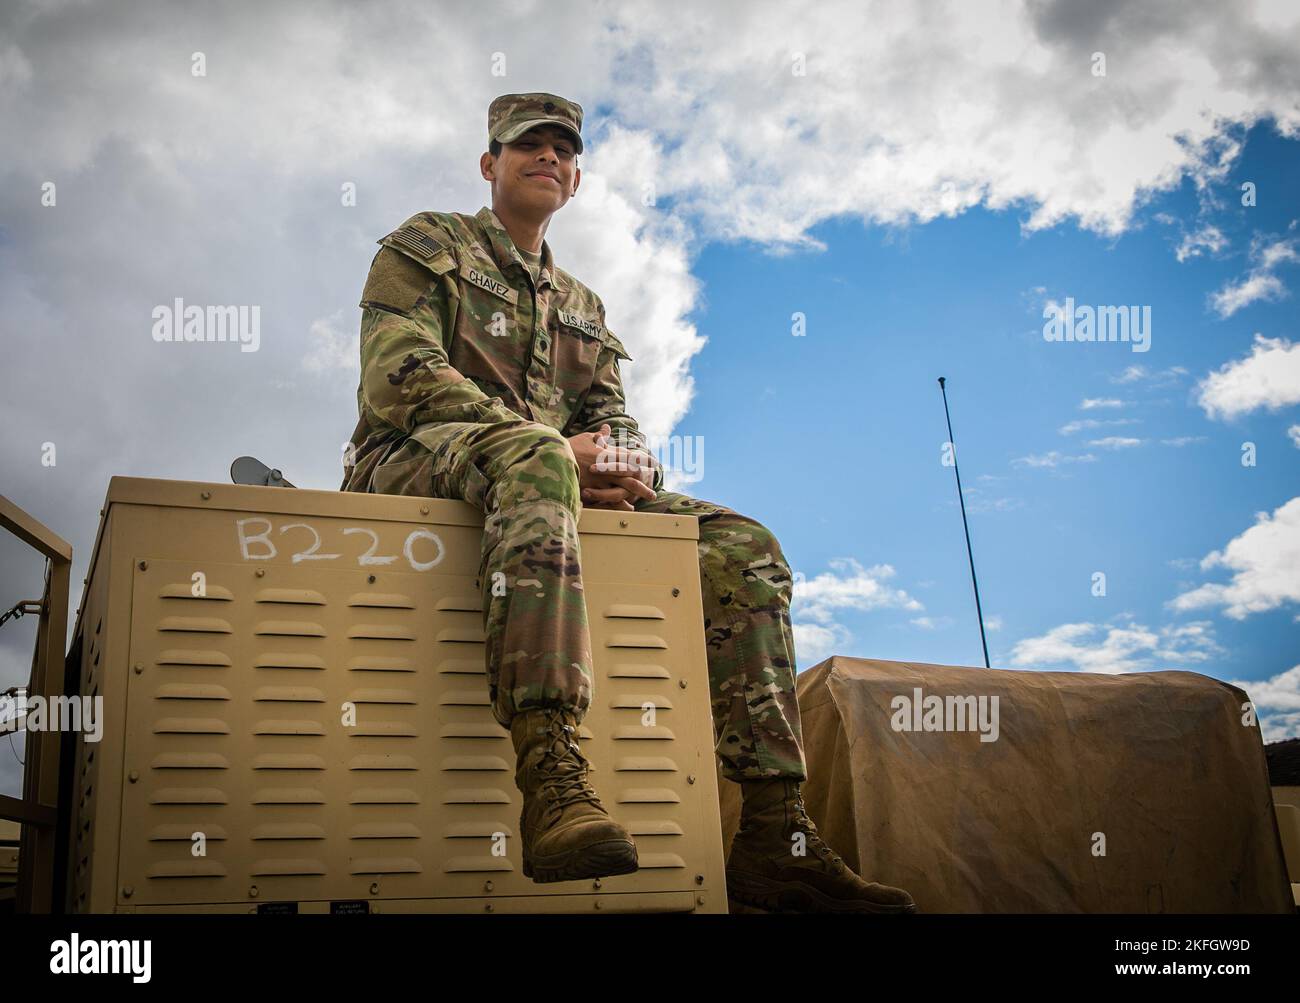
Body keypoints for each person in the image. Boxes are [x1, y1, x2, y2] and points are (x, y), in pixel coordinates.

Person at [341, 92, 915, 913]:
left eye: (563, 149)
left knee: (741, 543)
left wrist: (619, 463)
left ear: (575, 179)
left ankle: (774, 831)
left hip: (542, 479)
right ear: (489, 164)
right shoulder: (429, 243)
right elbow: (398, 375)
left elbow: (613, 417)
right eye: (526, 144)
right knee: (537, 451)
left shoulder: (583, 305)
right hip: (412, 461)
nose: (547, 156)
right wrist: (559, 452)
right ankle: (551, 779)